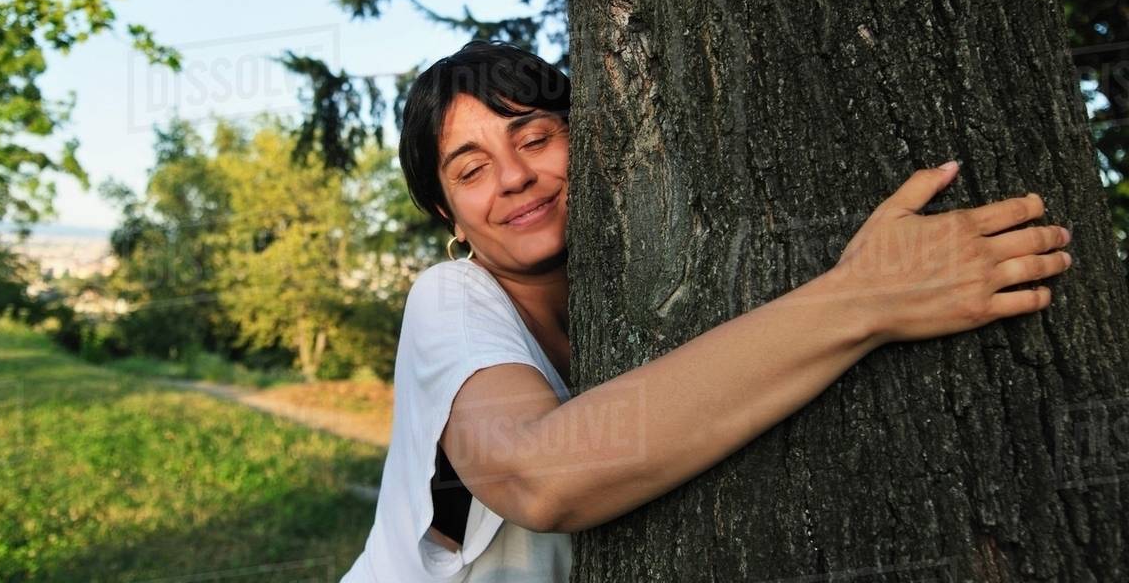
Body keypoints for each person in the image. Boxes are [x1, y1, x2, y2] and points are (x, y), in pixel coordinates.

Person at [338, 40, 1073, 582]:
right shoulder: (450, 297)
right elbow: (538, 475)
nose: (516, 176)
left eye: (535, 136)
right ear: (450, 215)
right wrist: (868, 295)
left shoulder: (617, 301)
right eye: (471, 170)